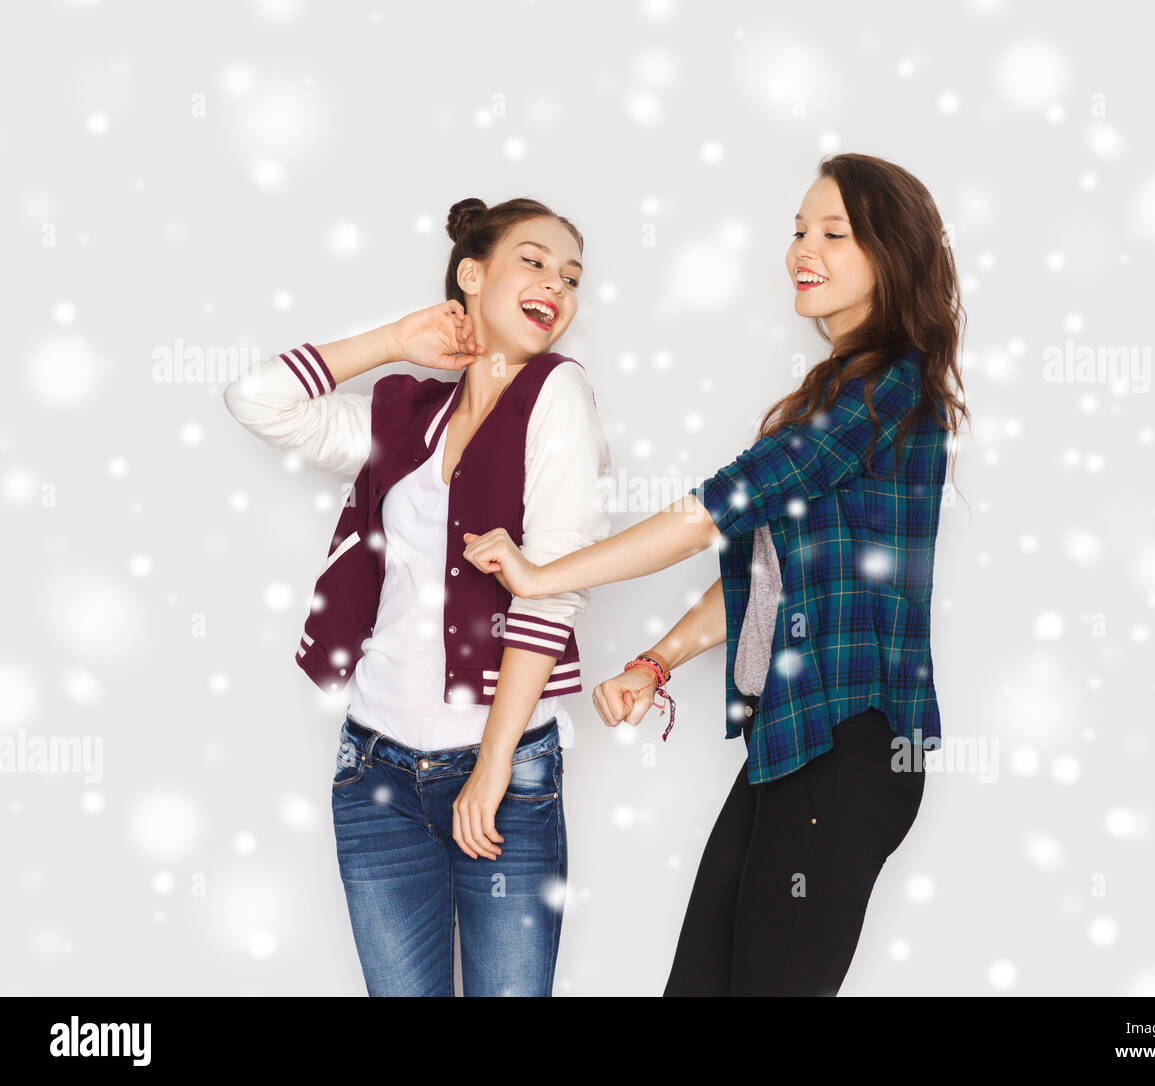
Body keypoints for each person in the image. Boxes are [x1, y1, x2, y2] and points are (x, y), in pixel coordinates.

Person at [461, 154, 969, 996]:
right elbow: (764, 580)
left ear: (893, 254)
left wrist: (539, 577)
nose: (802, 248)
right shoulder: (836, 390)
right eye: (799, 230)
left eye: (833, 233)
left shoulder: (886, 389)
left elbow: (711, 513)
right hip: (797, 739)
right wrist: (654, 663)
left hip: (852, 744)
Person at [222, 196, 614, 996]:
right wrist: (397, 339)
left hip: (504, 774)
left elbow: (554, 591)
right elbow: (257, 399)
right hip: (374, 771)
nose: (557, 287)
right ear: (472, 275)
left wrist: (495, 764)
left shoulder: (557, 395)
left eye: (571, 277)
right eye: (534, 261)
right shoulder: (409, 416)